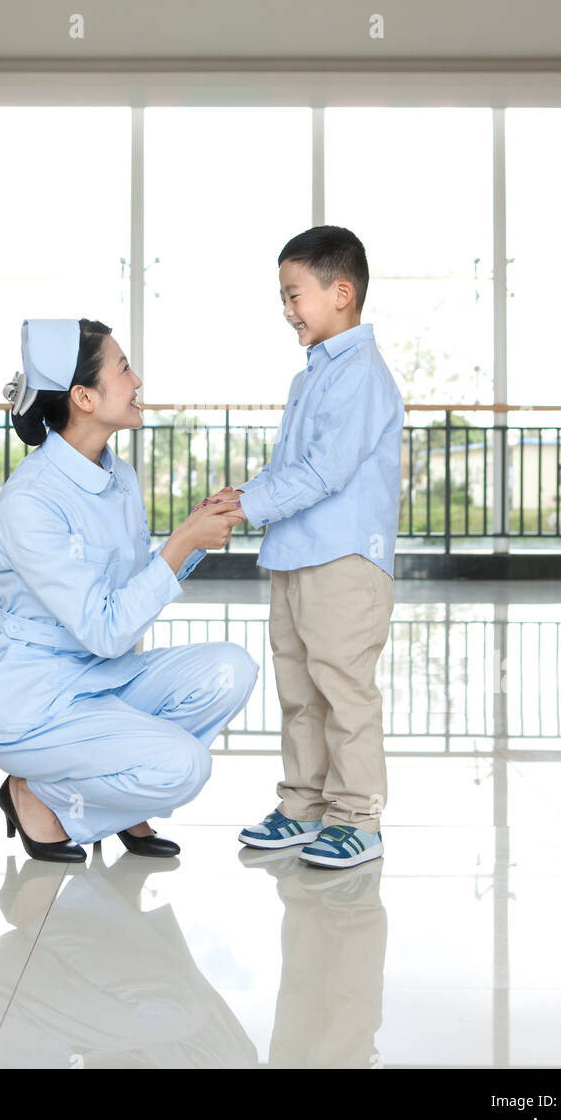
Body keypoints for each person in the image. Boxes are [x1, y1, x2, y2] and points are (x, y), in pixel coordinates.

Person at [0, 316, 256, 863]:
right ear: (84, 397)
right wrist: (180, 546)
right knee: (185, 767)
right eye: (123, 368)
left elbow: (128, 587)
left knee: (232, 669)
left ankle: (104, 798)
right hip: (38, 703)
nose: (137, 380)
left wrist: (191, 536)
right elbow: (105, 627)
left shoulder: (116, 475)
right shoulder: (31, 501)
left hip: (105, 678)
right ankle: (31, 790)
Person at [197, 227, 404, 869]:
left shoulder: (361, 374)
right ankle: (304, 804)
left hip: (343, 560)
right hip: (294, 555)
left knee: (343, 689)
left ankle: (356, 816)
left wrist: (249, 506)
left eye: (295, 295)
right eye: (284, 297)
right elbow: (296, 464)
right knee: (299, 689)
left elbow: (324, 474)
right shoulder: (313, 374)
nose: (287, 309)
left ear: (342, 292)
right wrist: (249, 493)